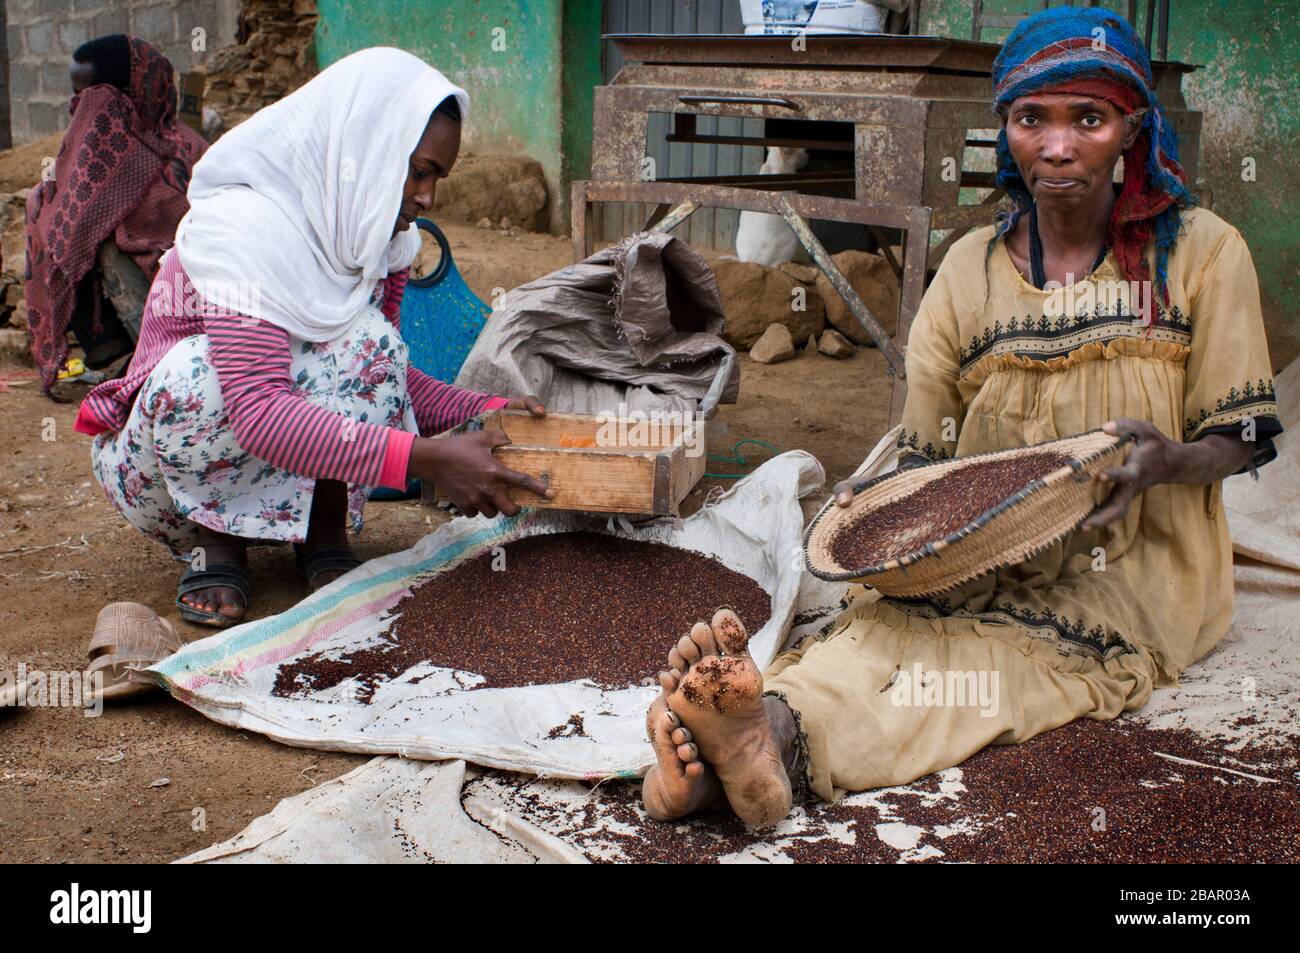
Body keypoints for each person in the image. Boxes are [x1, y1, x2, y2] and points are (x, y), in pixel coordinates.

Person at [640, 7, 1282, 827]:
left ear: (1130, 128)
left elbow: (1244, 436)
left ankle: (778, 740)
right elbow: (923, 452)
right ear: (1004, 130)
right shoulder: (968, 275)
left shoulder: (1202, 253)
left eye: (1088, 118)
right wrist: (874, 510)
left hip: (1128, 574)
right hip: (971, 556)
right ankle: (733, 742)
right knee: (874, 632)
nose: (1058, 147)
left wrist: (1169, 462)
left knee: (993, 672)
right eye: (1030, 119)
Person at [75, 48, 552, 627]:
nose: (428, 199)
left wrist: (487, 412)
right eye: (420, 172)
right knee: (200, 373)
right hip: (165, 470)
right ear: (368, 151)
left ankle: (321, 530)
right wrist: (426, 460)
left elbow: (384, 376)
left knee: (370, 344)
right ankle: (216, 542)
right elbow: (257, 412)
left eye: (436, 179)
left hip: (288, 468)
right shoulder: (242, 228)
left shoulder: (375, 239)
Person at [25, 35, 208, 396]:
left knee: (107, 236)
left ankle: (154, 358)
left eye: (95, 98)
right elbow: (72, 203)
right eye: (78, 100)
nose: (83, 109)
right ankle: (112, 349)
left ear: (134, 93)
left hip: (196, 308)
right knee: (59, 220)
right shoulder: (99, 141)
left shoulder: (182, 149)